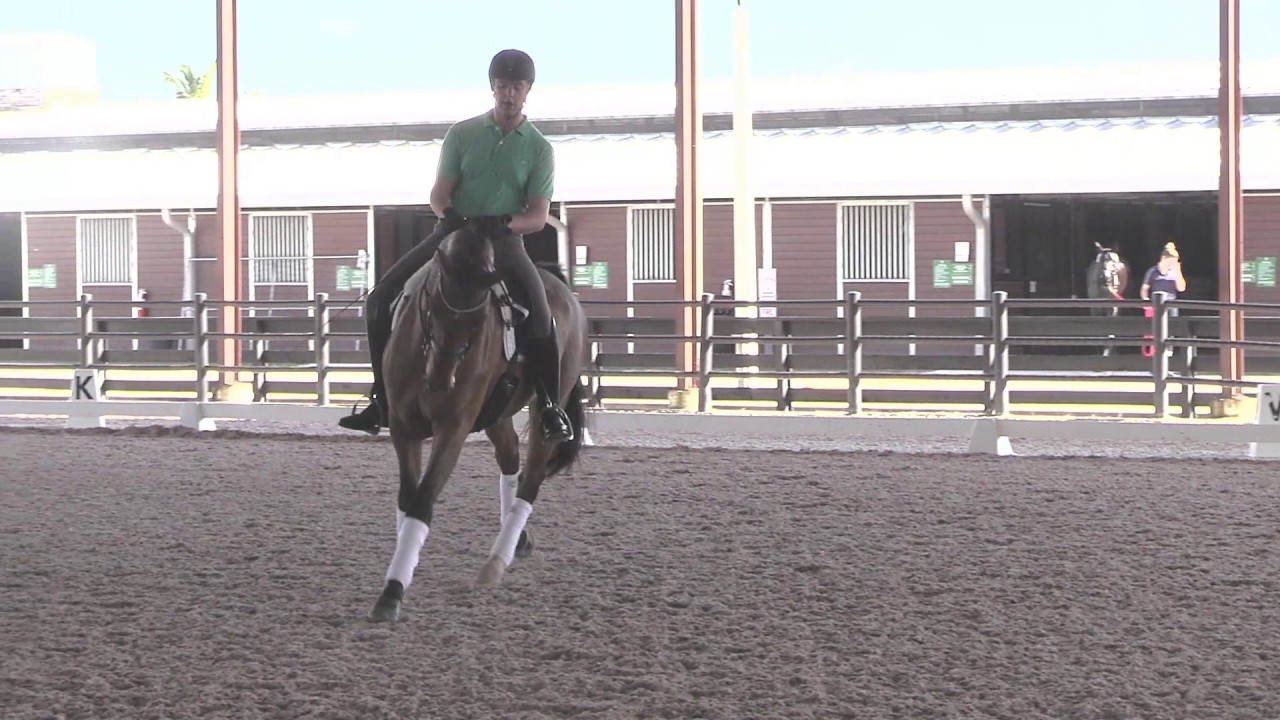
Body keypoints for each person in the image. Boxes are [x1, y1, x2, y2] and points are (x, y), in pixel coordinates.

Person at [338, 48, 574, 442]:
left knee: (542, 315)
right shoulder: (462, 134)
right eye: (503, 85)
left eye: (516, 86)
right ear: (492, 87)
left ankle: (550, 406)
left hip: (504, 243)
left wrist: (504, 222)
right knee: (379, 298)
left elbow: (536, 216)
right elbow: (438, 191)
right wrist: (447, 212)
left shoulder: (538, 149)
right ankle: (381, 399)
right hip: (452, 236)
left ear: (527, 90)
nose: (509, 93)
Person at [1140, 241, 1188, 316]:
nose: (1171, 264)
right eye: (1170, 262)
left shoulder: (1174, 272)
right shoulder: (1152, 271)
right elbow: (1144, 289)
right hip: (1156, 304)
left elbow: (1181, 289)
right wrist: (1145, 299)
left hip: (1171, 306)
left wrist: (1178, 272)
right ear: (1163, 258)